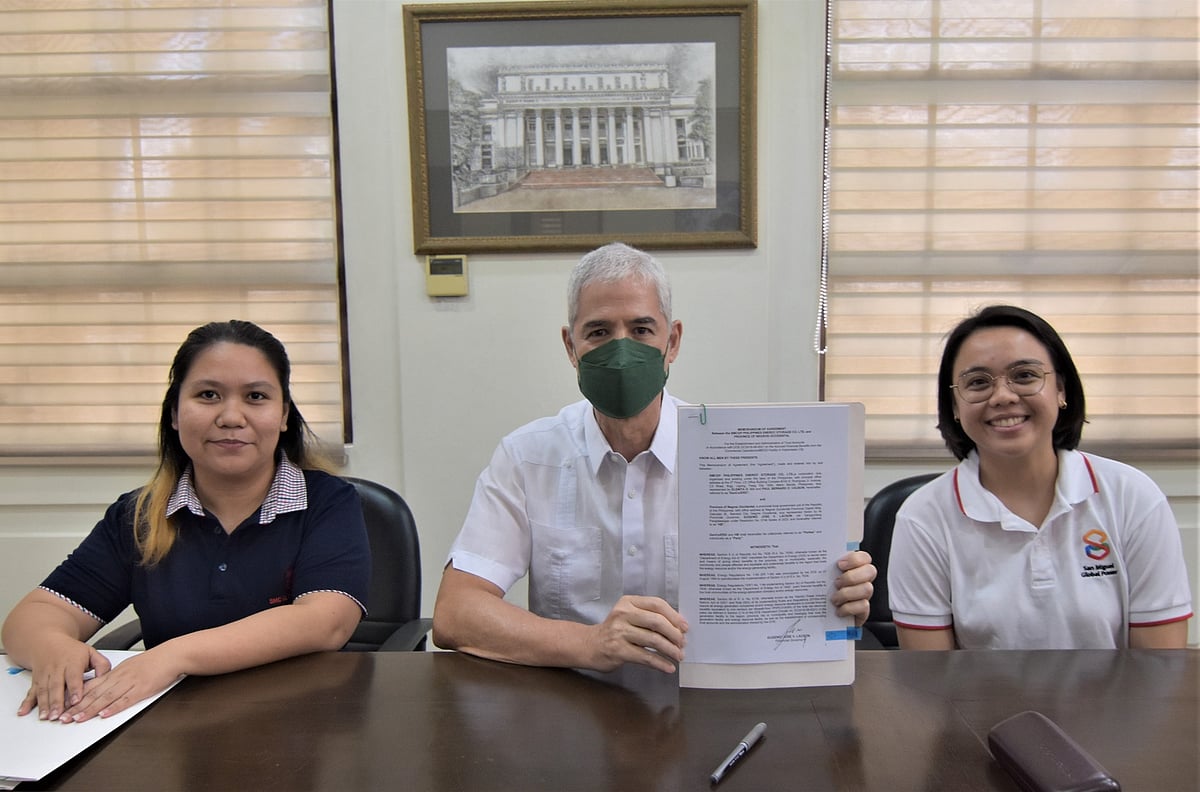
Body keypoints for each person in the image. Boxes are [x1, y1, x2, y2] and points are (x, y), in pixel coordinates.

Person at [432, 242, 877, 674]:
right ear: (571, 347)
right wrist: (588, 644)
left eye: (642, 330)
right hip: (569, 701)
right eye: (599, 332)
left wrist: (833, 599)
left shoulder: (735, 459)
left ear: (673, 342)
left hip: (702, 698)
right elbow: (456, 612)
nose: (621, 351)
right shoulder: (528, 458)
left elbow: (778, 608)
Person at [2, 320, 370, 722]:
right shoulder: (139, 516)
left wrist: (173, 655)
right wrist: (52, 647)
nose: (232, 416)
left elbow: (325, 621)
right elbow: (33, 616)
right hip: (175, 728)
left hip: (304, 720)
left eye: (256, 396)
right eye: (208, 395)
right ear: (175, 413)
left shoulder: (327, 502)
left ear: (283, 415)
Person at [889, 305, 1192, 650]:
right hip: (975, 706)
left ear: (1061, 389)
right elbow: (930, 681)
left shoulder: (1132, 497)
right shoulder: (923, 517)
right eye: (977, 383)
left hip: (1114, 705)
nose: (1003, 396)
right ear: (955, 407)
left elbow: (1158, 669)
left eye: (1024, 376)